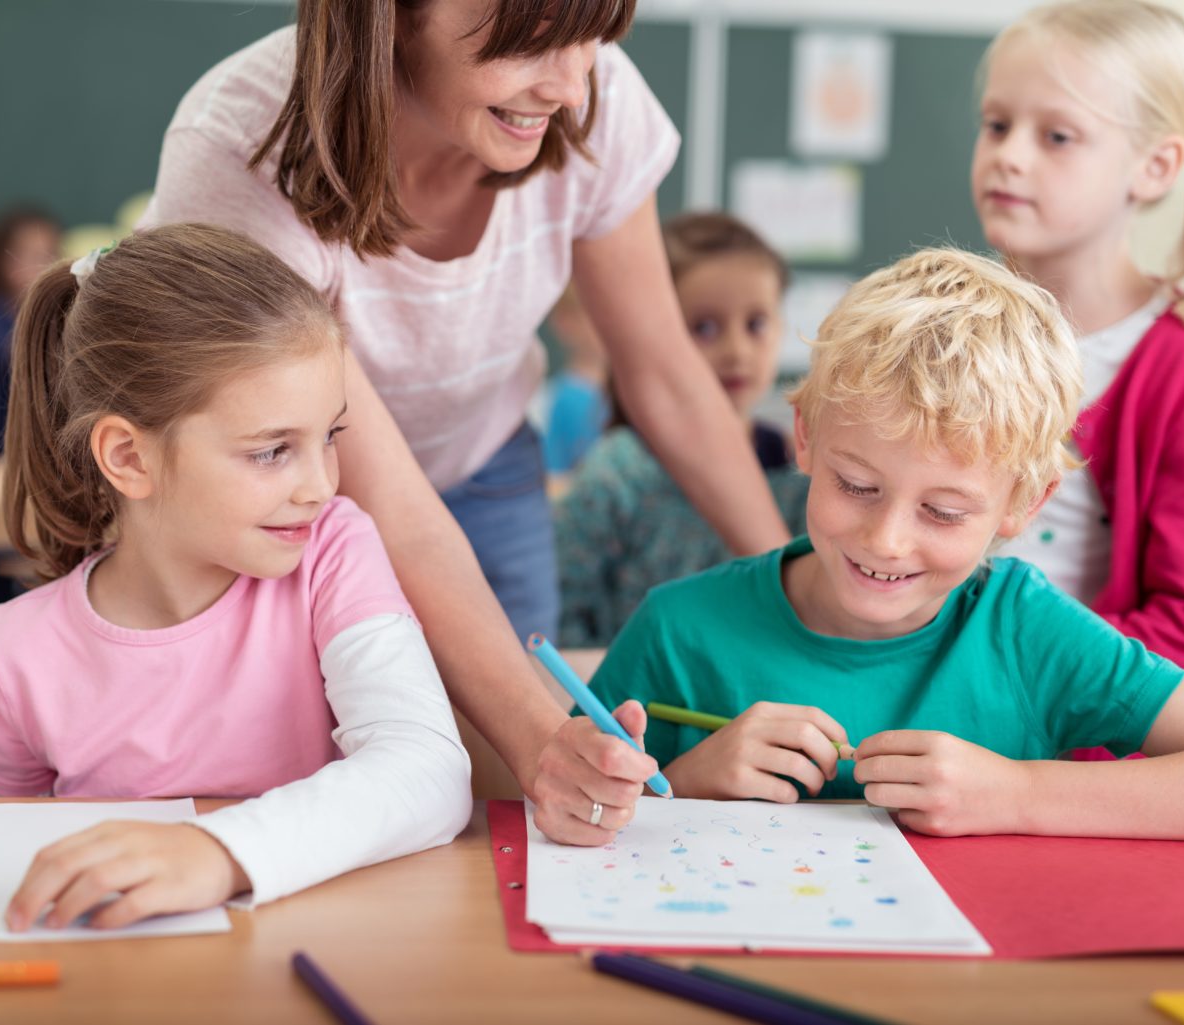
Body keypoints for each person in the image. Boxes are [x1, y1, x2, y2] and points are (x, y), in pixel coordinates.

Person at [140, 0, 790, 844]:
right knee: (337, 774)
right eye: (530, 41)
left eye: (591, 34)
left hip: (486, 460)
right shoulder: (242, 152)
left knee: (502, 815)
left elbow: (665, 372)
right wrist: (538, 735)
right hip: (293, 501)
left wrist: (793, 586)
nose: (570, 82)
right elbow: (384, 503)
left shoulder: (594, 98)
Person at [586, 248, 1184, 840]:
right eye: (857, 485)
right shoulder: (677, 631)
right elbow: (559, 806)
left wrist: (1020, 794)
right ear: (806, 435)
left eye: (943, 510)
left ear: (1024, 503)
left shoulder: (1026, 632)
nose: (887, 538)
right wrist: (684, 783)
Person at [0, 223, 471, 929]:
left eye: (330, 436)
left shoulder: (333, 552)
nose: (321, 485)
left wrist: (215, 853)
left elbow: (429, 772)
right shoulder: (17, 648)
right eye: (272, 451)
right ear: (129, 458)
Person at [973, 0, 1184, 720]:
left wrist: (1018, 697)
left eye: (1057, 136)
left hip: (1058, 737)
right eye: (997, 124)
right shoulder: (953, 328)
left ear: (1154, 167)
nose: (1009, 153)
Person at [556, 212, 807, 647]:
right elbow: (563, 613)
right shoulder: (618, 473)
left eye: (756, 324)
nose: (737, 351)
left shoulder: (796, 471)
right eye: (704, 328)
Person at [0, 206, 62, 458]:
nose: (44, 266)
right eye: (32, 256)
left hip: (40, 452)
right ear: (4, 261)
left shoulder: (61, 317)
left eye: (50, 254)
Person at [540, 283, 609, 490]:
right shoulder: (562, 399)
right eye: (599, 314)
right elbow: (554, 476)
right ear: (565, 323)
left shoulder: (628, 394)